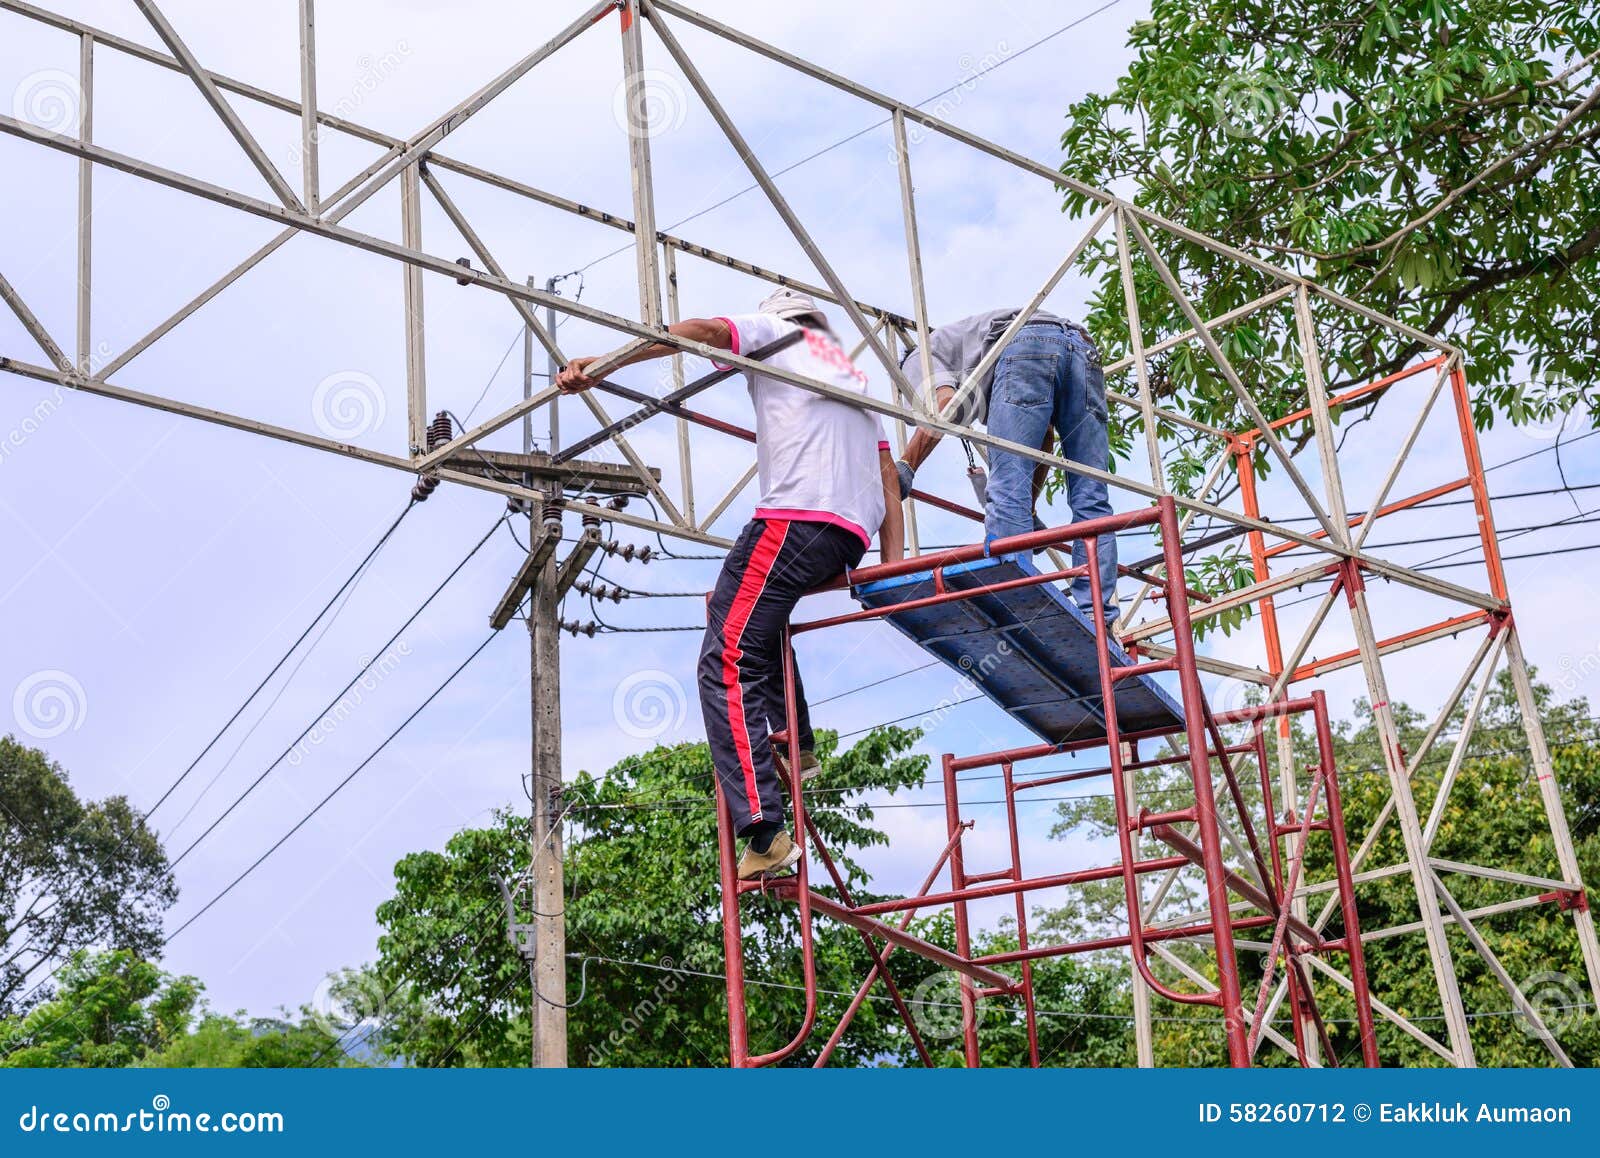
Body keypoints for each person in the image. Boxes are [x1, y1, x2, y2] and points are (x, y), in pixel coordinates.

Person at [555, 288, 903, 880]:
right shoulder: (854, 378)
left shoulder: (777, 333)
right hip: (847, 537)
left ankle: (764, 832)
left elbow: (702, 332)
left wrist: (607, 363)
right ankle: (798, 742)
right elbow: (888, 477)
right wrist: (892, 570)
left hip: (795, 518)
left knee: (725, 659)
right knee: (741, 610)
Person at [894, 308, 1118, 625]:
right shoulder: (961, 342)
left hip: (1027, 341)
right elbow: (1043, 440)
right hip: (1082, 347)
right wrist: (1029, 510)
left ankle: (1016, 605)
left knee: (1006, 491)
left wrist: (907, 465)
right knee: (1092, 497)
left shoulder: (916, 359)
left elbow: (945, 406)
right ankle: (1096, 614)